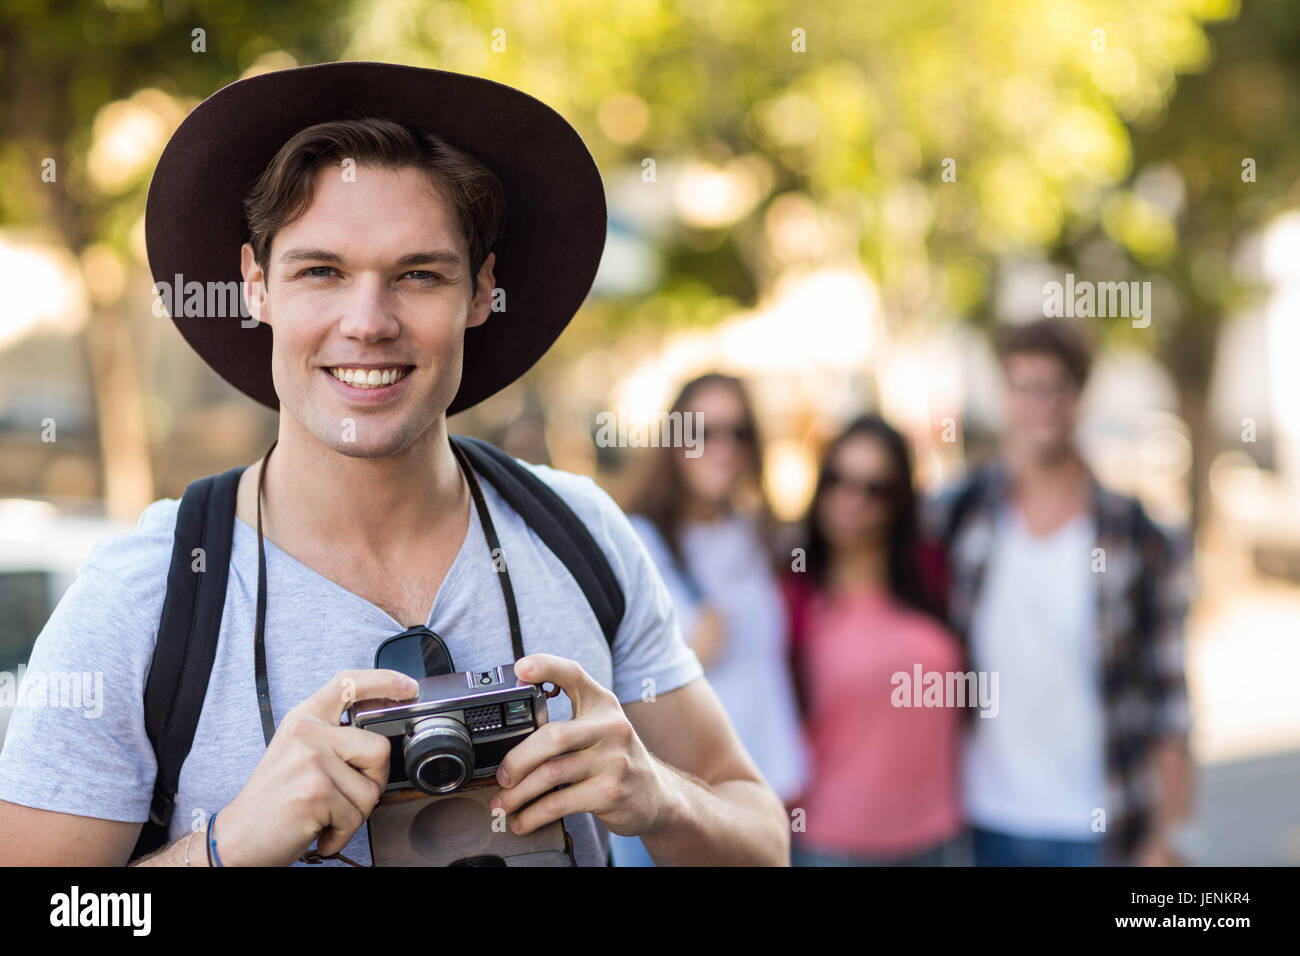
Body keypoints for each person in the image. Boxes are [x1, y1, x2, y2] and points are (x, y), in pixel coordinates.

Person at [0, 62, 789, 867]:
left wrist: (657, 796)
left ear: (481, 291)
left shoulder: (579, 534)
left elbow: (763, 841)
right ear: (255, 286)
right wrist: (225, 847)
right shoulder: (146, 596)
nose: (369, 322)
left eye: (418, 274)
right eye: (321, 271)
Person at [927, 317, 1196, 866]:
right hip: (984, 818)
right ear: (1005, 395)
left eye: (1056, 388)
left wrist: (1170, 838)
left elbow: (1170, 698)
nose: (1040, 405)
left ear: (1079, 396)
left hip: (1100, 822)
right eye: (1025, 387)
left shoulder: (1137, 534)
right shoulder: (959, 515)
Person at [608, 373, 809, 866]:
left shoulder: (757, 533)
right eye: (703, 431)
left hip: (770, 785)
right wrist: (695, 649)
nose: (722, 448)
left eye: (737, 433)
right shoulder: (635, 540)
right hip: (690, 803)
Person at [784, 415, 968, 866]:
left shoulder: (933, 573)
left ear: (899, 499)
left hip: (941, 839)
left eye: (875, 488)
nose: (852, 501)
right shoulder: (795, 593)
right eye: (838, 481)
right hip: (833, 844)